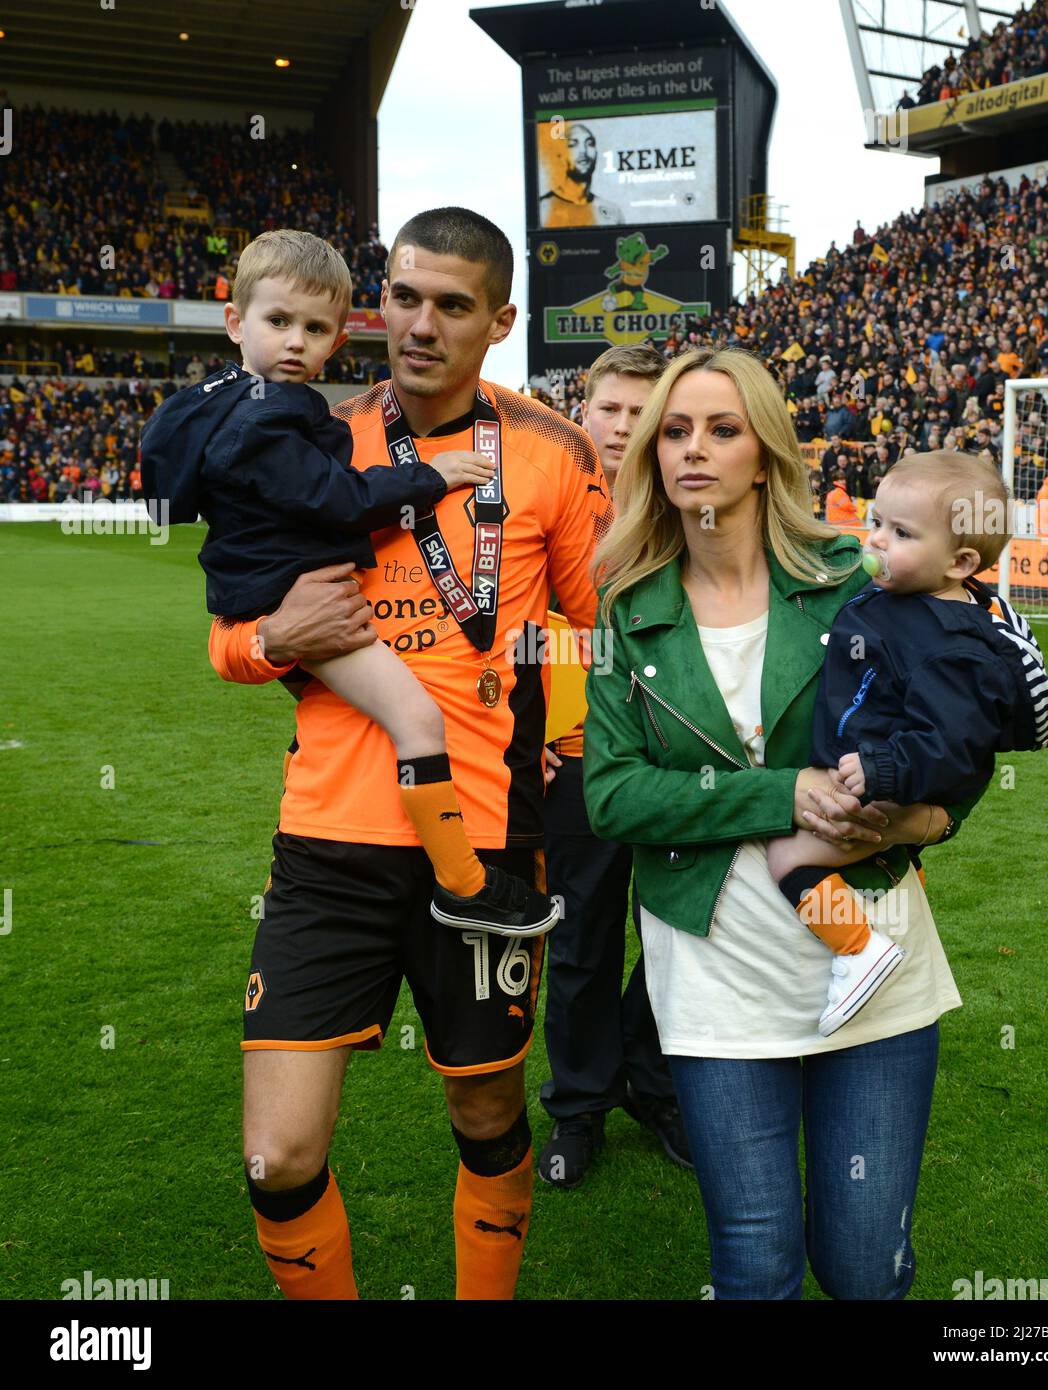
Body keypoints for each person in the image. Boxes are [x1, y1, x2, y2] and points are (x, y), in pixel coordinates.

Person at [207, 208, 612, 1300]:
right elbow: (228, 633)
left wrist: (562, 740)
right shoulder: (308, 437)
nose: (418, 324)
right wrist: (271, 641)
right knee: (277, 1155)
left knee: (484, 1112)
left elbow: (598, 625)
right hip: (327, 843)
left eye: (451, 305)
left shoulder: (551, 453)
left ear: (500, 319)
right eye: (402, 296)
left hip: (484, 853)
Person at [582, 346, 979, 1300]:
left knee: (862, 1267)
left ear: (765, 453)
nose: (694, 450)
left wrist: (926, 819)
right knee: (754, 1267)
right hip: (717, 986)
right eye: (673, 431)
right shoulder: (625, 609)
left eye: (723, 430)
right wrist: (781, 794)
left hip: (874, 964)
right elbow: (611, 794)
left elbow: (962, 723)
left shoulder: (858, 579)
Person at [141, 229, 555, 940]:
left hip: (267, 592)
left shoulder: (216, 401)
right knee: (419, 721)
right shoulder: (269, 416)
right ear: (237, 323)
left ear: (338, 338)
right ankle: (465, 882)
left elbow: (162, 486)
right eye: (278, 322)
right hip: (289, 600)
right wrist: (432, 477)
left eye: (315, 328)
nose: (296, 342)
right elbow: (339, 499)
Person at [767, 452, 1048, 1035]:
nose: (876, 542)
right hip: (873, 773)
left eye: (900, 533)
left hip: (887, 786)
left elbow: (952, 744)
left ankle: (858, 950)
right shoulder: (905, 600)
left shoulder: (951, 645)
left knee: (787, 856)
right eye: (877, 523)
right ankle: (903, 880)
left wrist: (883, 770)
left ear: (961, 561)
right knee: (869, 852)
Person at [538, 343, 691, 1188]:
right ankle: (580, 1107)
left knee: (677, 934)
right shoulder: (548, 498)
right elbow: (518, 632)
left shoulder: (691, 501)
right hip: (578, 757)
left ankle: (653, 1080)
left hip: (676, 764)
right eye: (611, 409)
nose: (625, 426)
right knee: (583, 942)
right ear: (582, 408)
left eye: (643, 412)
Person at [538, 122, 622, 229]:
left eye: (589, 143)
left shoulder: (612, 212)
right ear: (560, 156)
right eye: (573, 144)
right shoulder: (542, 209)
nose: (583, 151)